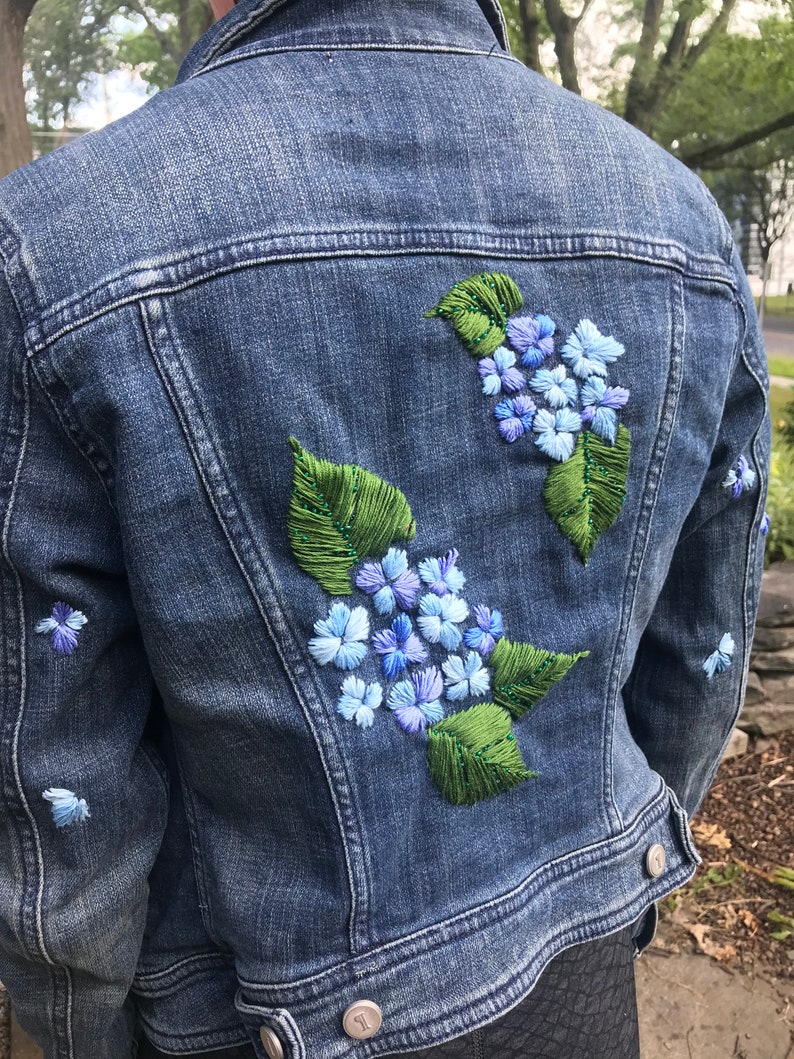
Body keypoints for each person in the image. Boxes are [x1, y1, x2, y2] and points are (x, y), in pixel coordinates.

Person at [0, 0, 770, 1057]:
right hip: (575, 971)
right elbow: (700, 654)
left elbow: (56, 776)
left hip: (245, 1012)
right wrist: (609, 872)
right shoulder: (677, 221)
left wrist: (77, 1025)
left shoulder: (54, 246)